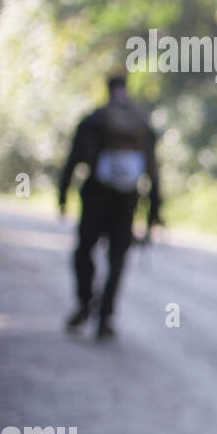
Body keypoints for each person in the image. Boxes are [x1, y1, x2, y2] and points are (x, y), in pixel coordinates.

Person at [59, 74, 162, 341]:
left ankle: (84, 303)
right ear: (125, 90)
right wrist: (154, 209)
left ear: (107, 90)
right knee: (117, 258)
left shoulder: (94, 119)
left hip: (95, 196)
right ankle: (105, 317)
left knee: (85, 250)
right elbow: (153, 169)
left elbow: (74, 158)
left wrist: (62, 194)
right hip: (127, 200)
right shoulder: (142, 124)